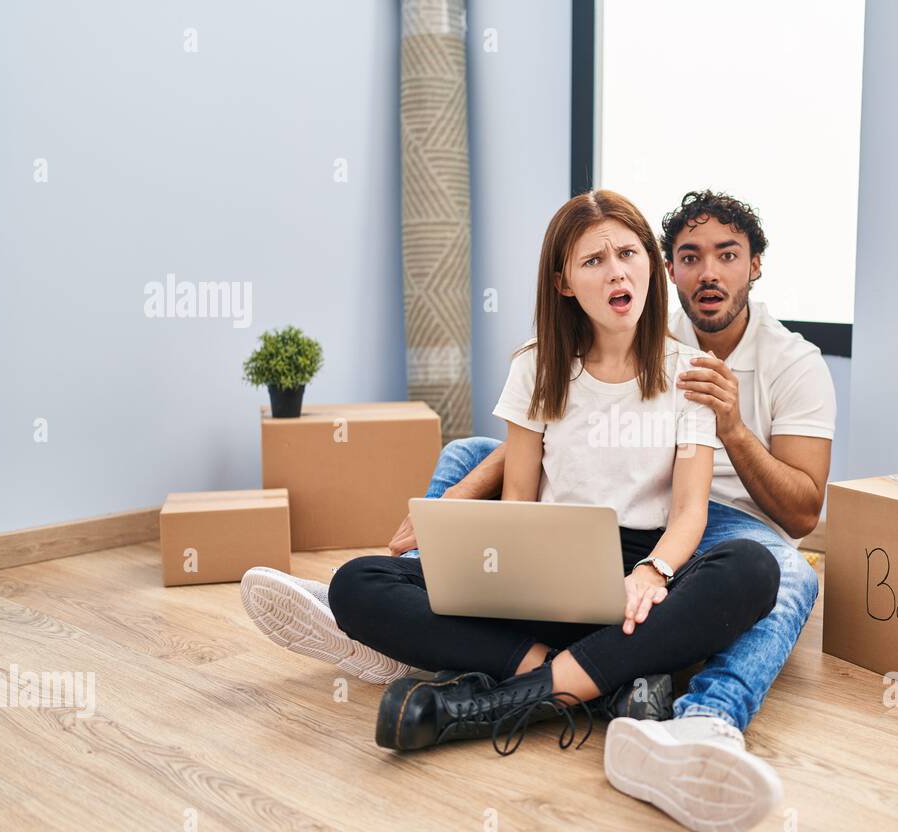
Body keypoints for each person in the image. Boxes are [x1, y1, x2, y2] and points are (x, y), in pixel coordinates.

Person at [240, 189, 781, 775]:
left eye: (628, 253)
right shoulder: (536, 366)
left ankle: (499, 700)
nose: (616, 271)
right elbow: (518, 498)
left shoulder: (692, 375)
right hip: (545, 567)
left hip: (638, 580)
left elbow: (688, 515)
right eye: (593, 261)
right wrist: (493, 563)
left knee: (752, 568)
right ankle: (600, 680)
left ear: (652, 263)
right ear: (564, 283)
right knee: (357, 582)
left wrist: (652, 573)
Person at [382, 190, 837, 832]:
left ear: (755, 266)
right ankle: (422, 582)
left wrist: (732, 425)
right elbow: (537, 426)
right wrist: (455, 501)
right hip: (605, 502)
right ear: (669, 268)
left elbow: (802, 511)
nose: (708, 273)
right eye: (689, 257)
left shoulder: (793, 364)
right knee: (467, 452)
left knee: (786, 571)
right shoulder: (638, 316)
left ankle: (702, 721)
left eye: (727, 256)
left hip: (723, 516)